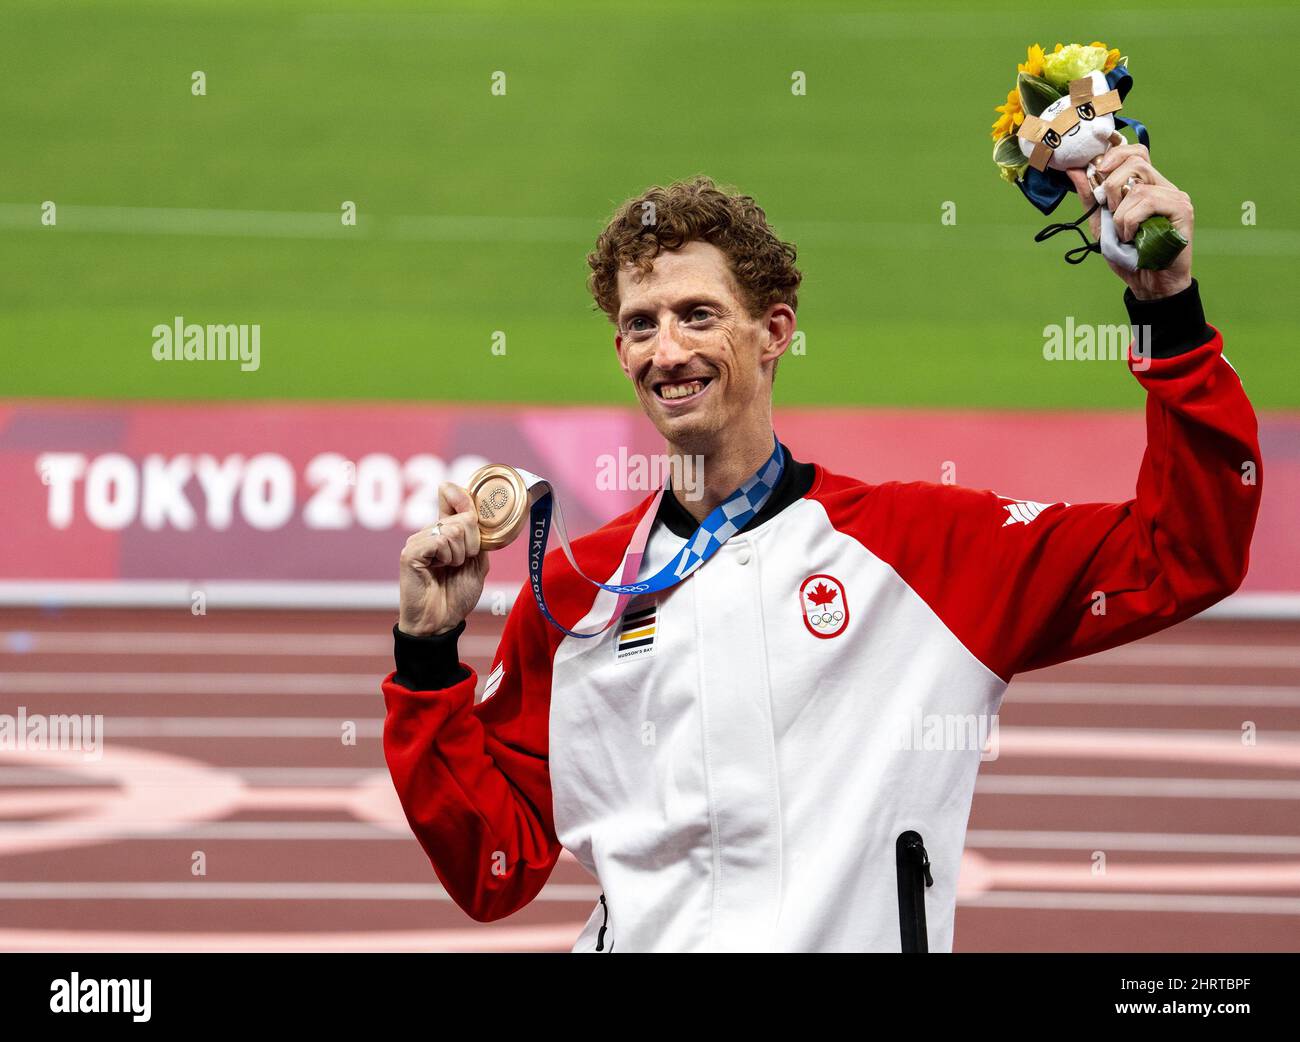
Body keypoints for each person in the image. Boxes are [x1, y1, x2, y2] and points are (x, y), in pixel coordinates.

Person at [381, 170, 1261, 952]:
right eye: (640, 325)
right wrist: (427, 659)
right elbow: (495, 869)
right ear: (620, 352)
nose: (668, 351)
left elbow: (1185, 550)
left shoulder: (925, 549)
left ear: (774, 331)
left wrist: (1167, 308)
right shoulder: (575, 593)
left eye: (698, 316)